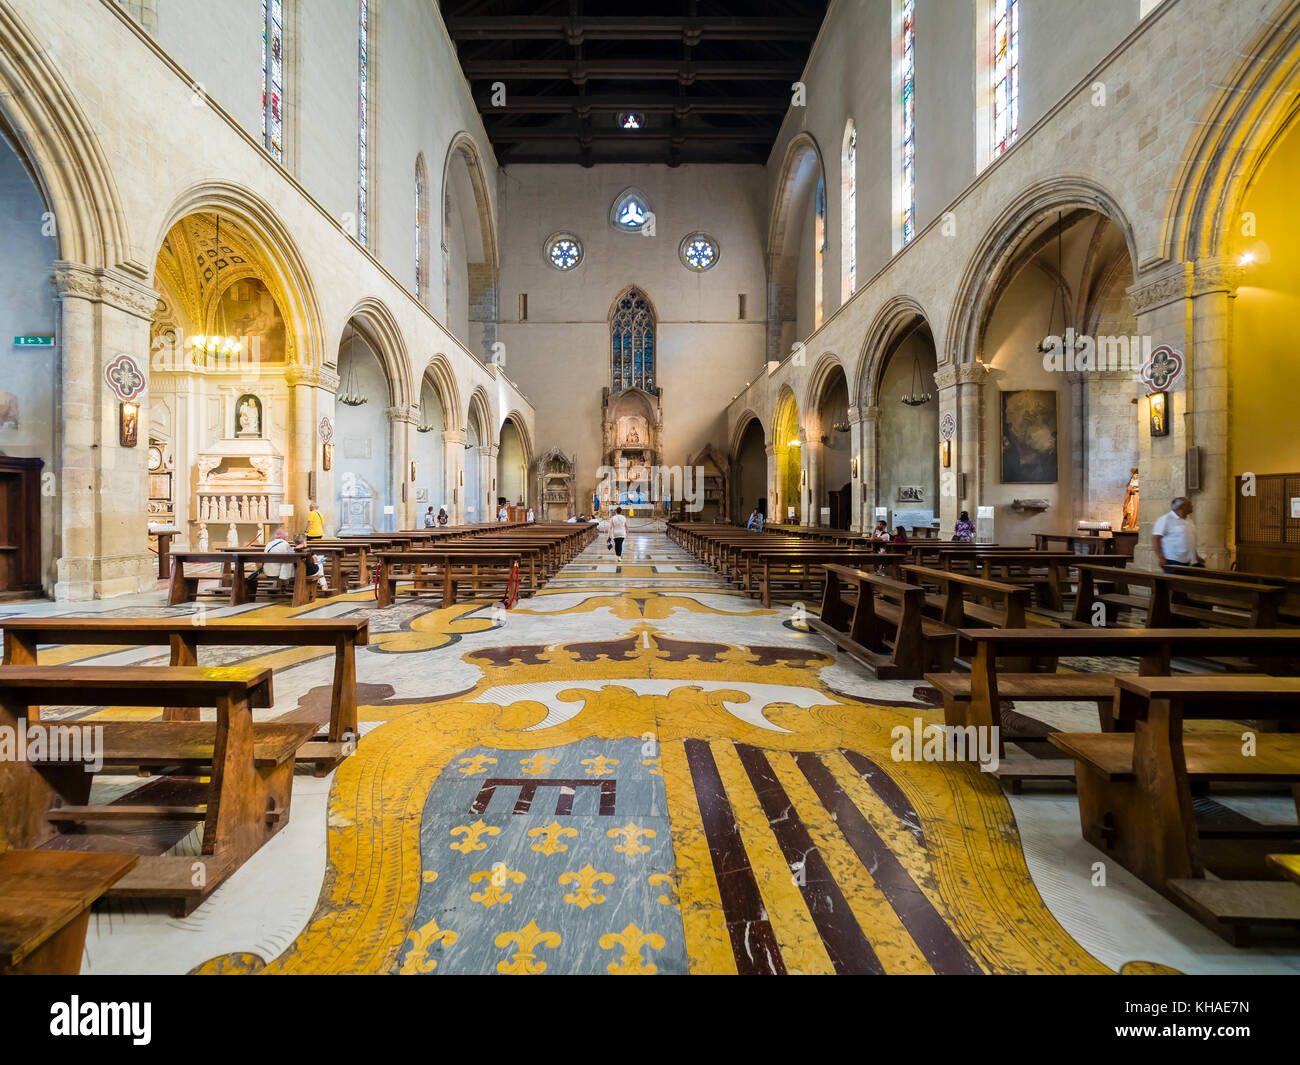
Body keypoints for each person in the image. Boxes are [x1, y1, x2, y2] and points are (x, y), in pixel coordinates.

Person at [1152, 496, 1204, 572]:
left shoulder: (1188, 520)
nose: (1192, 506)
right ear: (1181, 506)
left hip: (1187, 561)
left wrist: (1196, 556)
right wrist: (1161, 558)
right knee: (1172, 583)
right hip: (1172, 561)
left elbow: (1189, 539)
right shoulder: (1165, 519)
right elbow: (1155, 538)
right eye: (1189, 504)